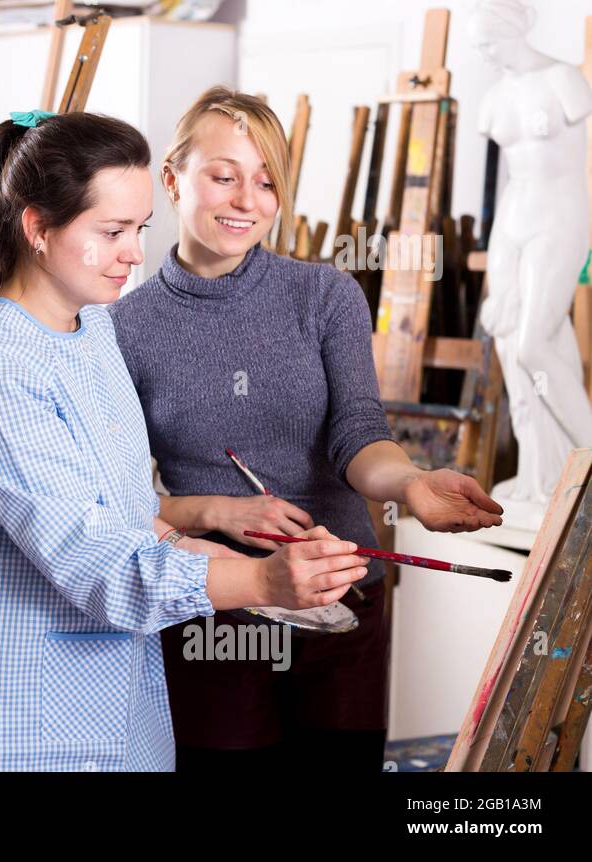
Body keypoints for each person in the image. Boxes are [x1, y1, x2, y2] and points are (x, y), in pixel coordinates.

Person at [0, 110, 370, 772]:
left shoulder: (92, 328)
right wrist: (259, 578)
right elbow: (97, 564)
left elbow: (126, 520)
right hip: (14, 723)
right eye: (112, 231)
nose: (133, 251)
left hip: (113, 706)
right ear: (37, 227)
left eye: (140, 229)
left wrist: (231, 560)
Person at [110, 86, 504, 771]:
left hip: (342, 596)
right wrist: (217, 511)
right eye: (224, 176)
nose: (246, 200)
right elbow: (117, 499)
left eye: (266, 182)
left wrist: (410, 484)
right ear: (171, 179)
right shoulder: (122, 328)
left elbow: (357, 432)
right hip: (218, 611)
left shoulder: (324, 295)